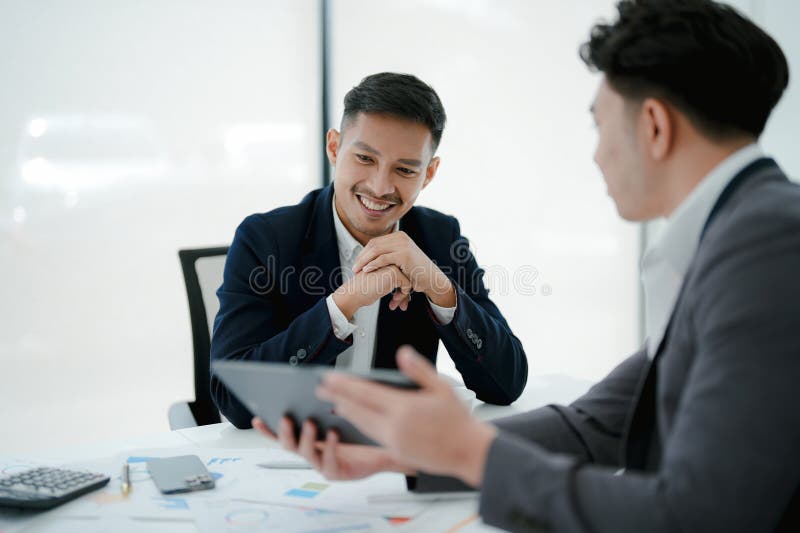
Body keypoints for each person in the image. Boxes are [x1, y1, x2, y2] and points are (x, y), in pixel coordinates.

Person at [255, 1, 800, 531]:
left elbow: (702, 516)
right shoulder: (734, 237)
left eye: (600, 125)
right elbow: (597, 424)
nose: (596, 154)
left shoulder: (769, 245)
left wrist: (467, 450)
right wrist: (411, 454)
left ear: (654, 126)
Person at [211, 72, 528, 429]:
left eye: (405, 169)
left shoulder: (440, 238)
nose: (380, 187)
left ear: (429, 174)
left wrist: (439, 288)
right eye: (365, 158)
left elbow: (507, 384)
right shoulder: (264, 239)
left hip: (390, 457)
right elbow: (233, 400)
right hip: (290, 452)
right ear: (334, 147)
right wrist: (344, 304)